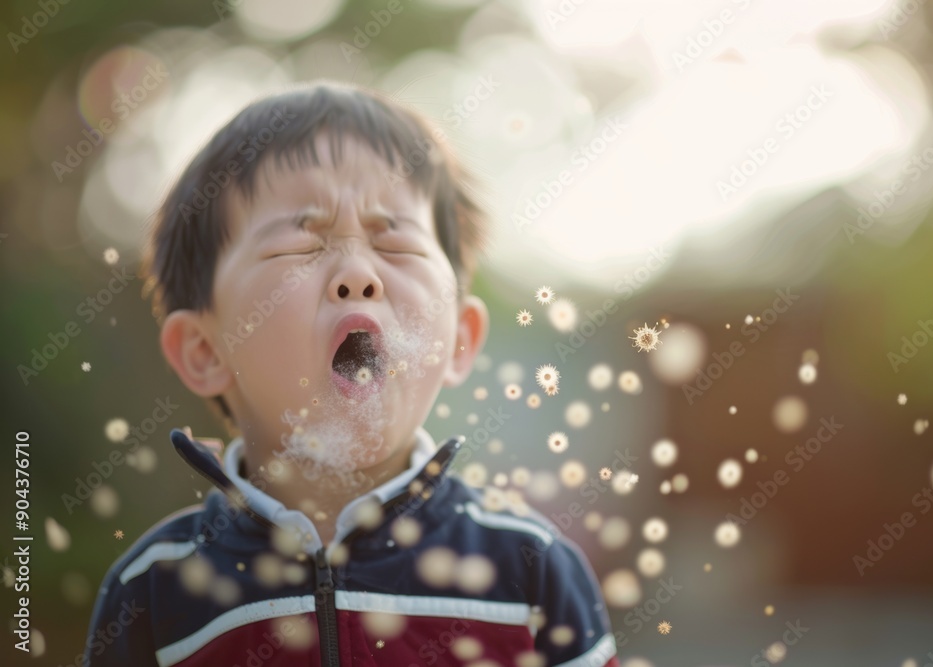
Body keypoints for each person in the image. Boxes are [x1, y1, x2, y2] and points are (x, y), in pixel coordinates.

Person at [84, 81, 619, 666]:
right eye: (298, 245)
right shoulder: (155, 590)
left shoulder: (529, 569)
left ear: (460, 340)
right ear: (206, 351)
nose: (358, 274)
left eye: (396, 243)